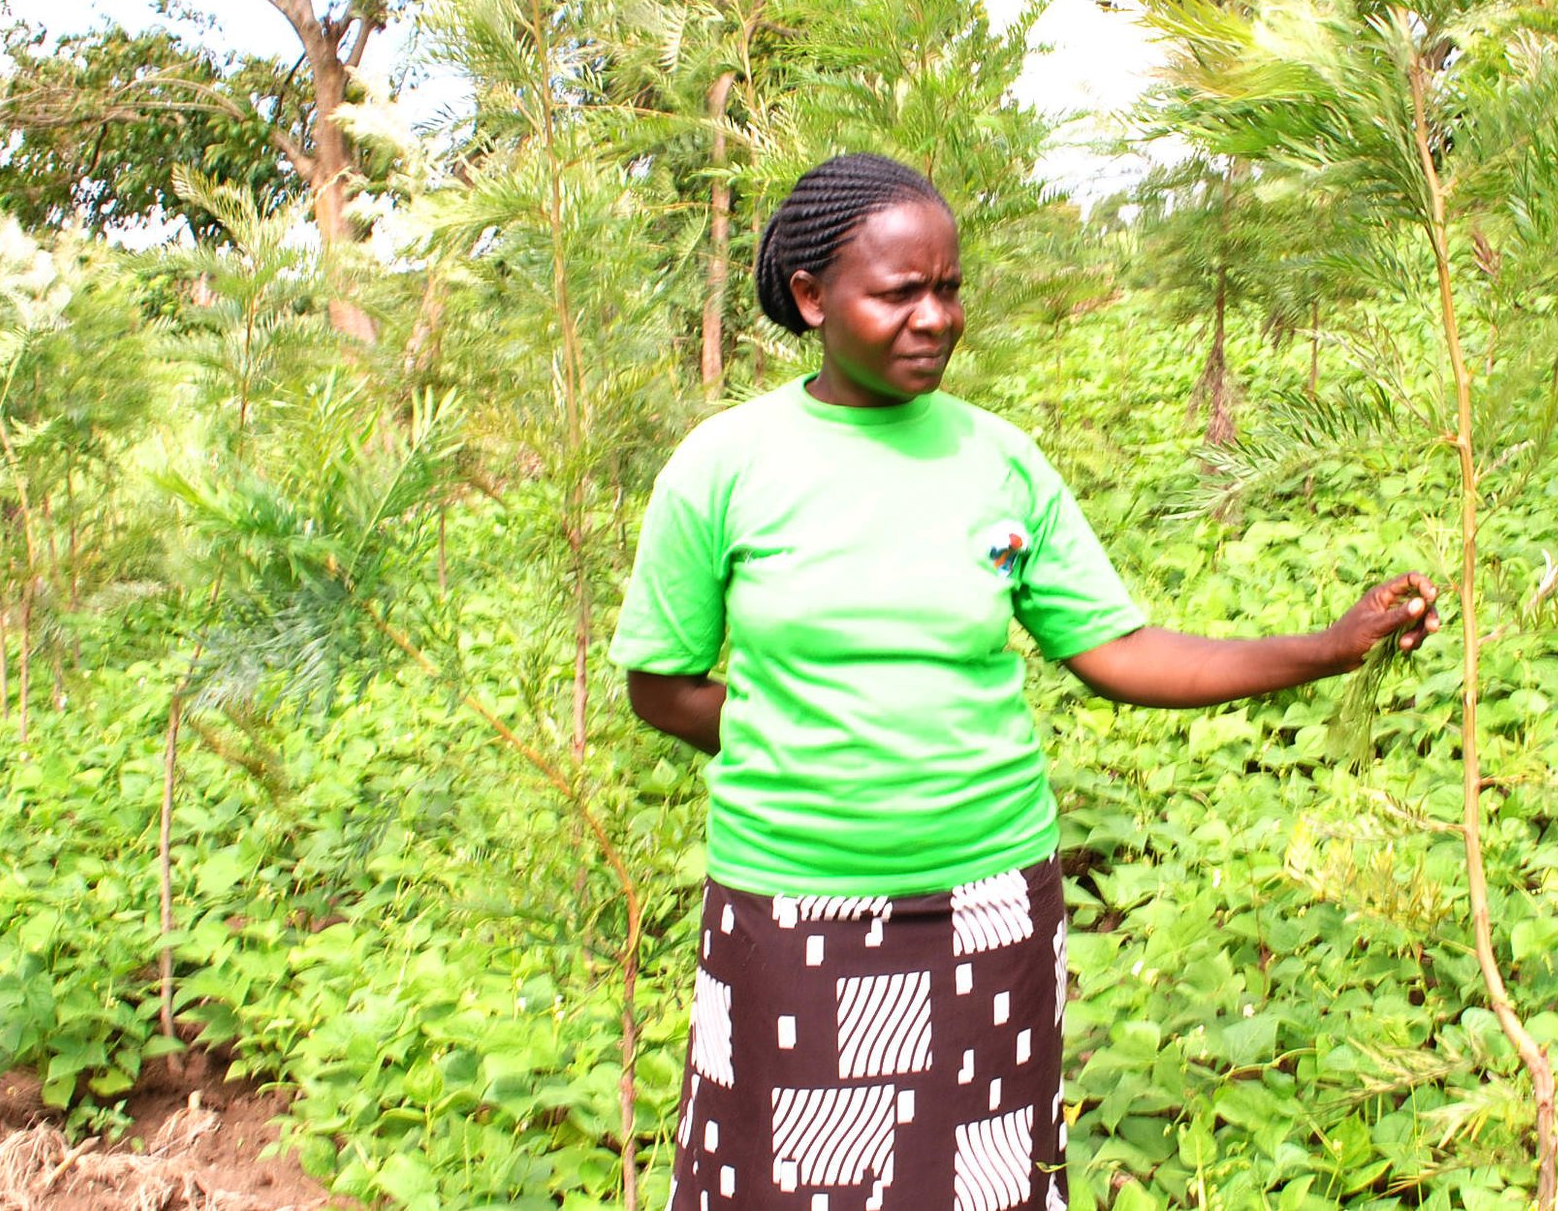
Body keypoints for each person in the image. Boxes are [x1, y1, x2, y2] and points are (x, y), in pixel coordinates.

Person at [612, 153, 1440, 1211]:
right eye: (897, 292)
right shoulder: (725, 467)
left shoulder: (998, 461)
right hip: (790, 905)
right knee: (789, 1186)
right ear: (813, 299)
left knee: (980, 1183)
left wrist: (1326, 645)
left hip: (988, 903)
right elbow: (662, 686)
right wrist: (805, 737)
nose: (934, 317)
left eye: (948, 287)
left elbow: (1120, 652)